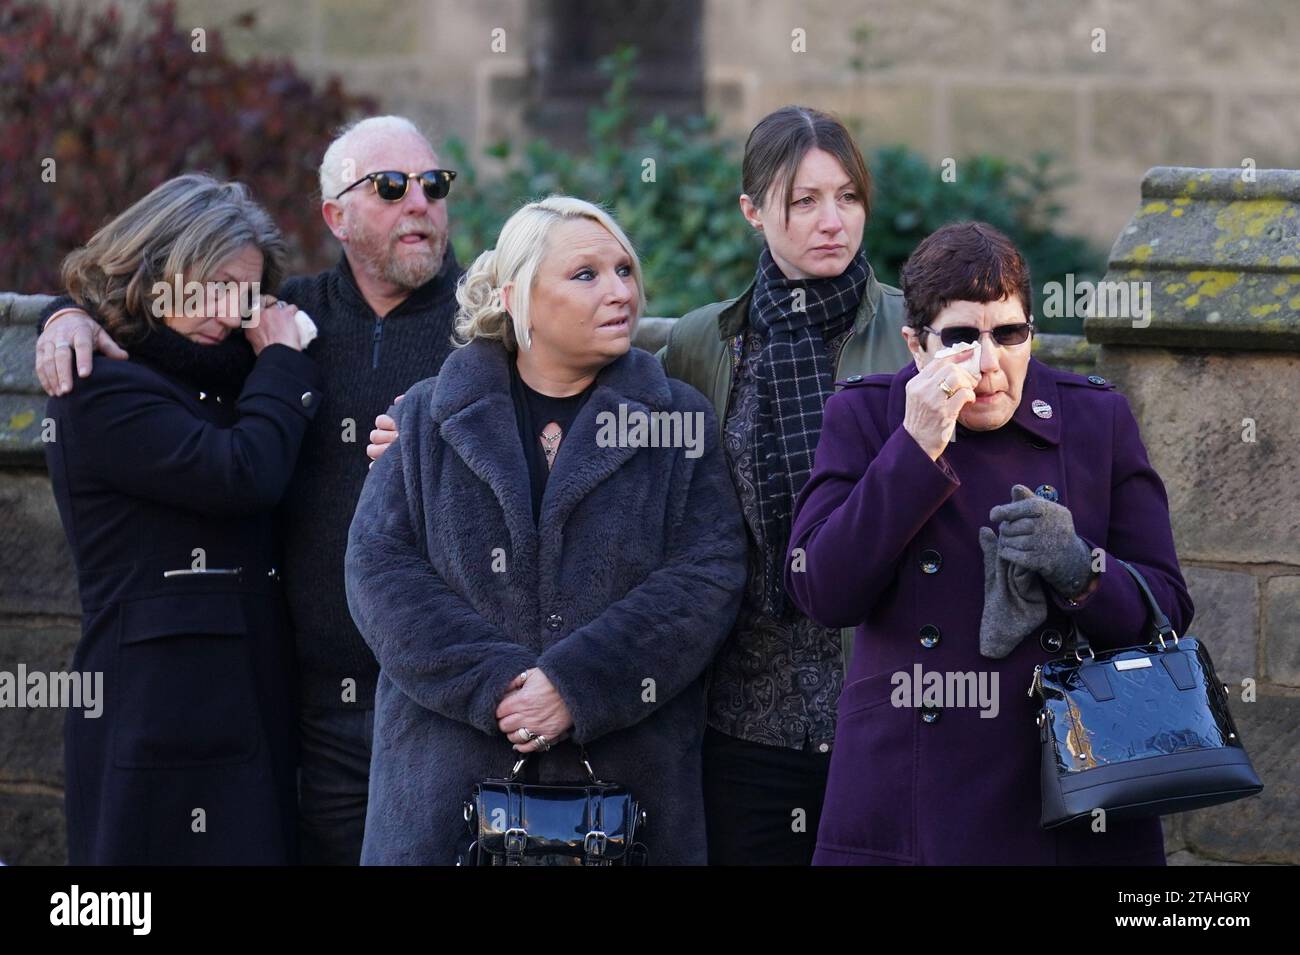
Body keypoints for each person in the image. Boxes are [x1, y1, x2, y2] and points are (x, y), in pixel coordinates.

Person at [33, 116, 465, 865]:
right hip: (308, 707)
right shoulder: (285, 330)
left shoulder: (488, 324)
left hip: (445, 696)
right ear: (337, 215)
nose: (419, 202)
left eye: (434, 185)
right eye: (392, 187)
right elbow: (172, 379)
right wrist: (64, 315)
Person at [344, 196, 747, 865]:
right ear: (517, 296)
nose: (619, 290)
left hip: (627, 802)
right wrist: (500, 684)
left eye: (624, 269)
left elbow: (705, 577)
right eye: (585, 275)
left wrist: (577, 685)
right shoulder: (425, 417)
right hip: (443, 796)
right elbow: (379, 572)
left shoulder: (679, 419)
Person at [785, 221, 1194, 865]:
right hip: (912, 786)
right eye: (961, 337)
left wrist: (1082, 570)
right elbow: (823, 590)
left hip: (1067, 782)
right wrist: (914, 448)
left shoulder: (1095, 417)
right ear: (916, 345)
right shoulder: (865, 416)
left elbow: (1166, 609)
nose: (988, 361)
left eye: (1009, 334)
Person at [655, 105, 911, 865]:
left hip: (882, 704)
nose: (831, 220)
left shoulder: (912, 331)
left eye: (848, 196)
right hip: (745, 716)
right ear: (752, 212)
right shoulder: (705, 342)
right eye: (803, 200)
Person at [44, 174, 319, 864]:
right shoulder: (99, 384)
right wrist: (283, 360)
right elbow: (240, 473)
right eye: (215, 283)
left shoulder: (229, 376)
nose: (230, 311)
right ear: (157, 261)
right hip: (152, 716)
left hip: (255, 708)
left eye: (247, 295)